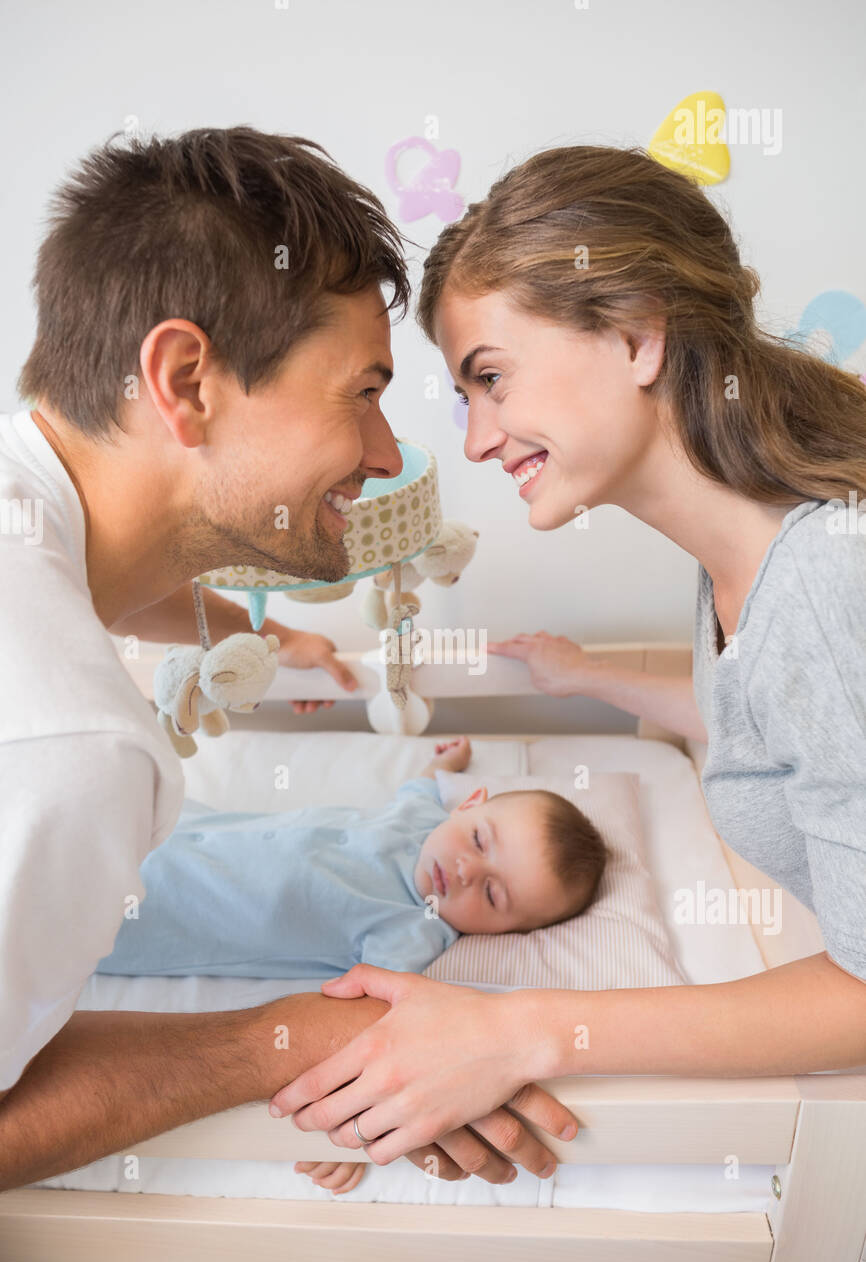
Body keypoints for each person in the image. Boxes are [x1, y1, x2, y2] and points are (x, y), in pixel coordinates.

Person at [268, 144, 866, 1172]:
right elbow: (786, 722)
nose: (475, 440)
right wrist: (587, 675)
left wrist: (516, 1030)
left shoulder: (817, 575)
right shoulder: (745, 566)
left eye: (488, 380)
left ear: (636, 333)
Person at [0, 128, 578, 1193]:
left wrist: (252, 634)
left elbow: (116, 579)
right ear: (185, 379)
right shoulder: (70, 752)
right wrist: (274, 1037)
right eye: (361, 390)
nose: (388, 454)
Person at [96, 732, 607, 976]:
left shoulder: (412, 932)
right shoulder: (424, 820)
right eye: (478, 840)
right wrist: (449, 761)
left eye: (494, 894)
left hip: (156, 912)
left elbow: (364, 1021)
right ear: (468, 805)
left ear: (504, 935)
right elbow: (422, 788)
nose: (467, 870)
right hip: (186, 828)